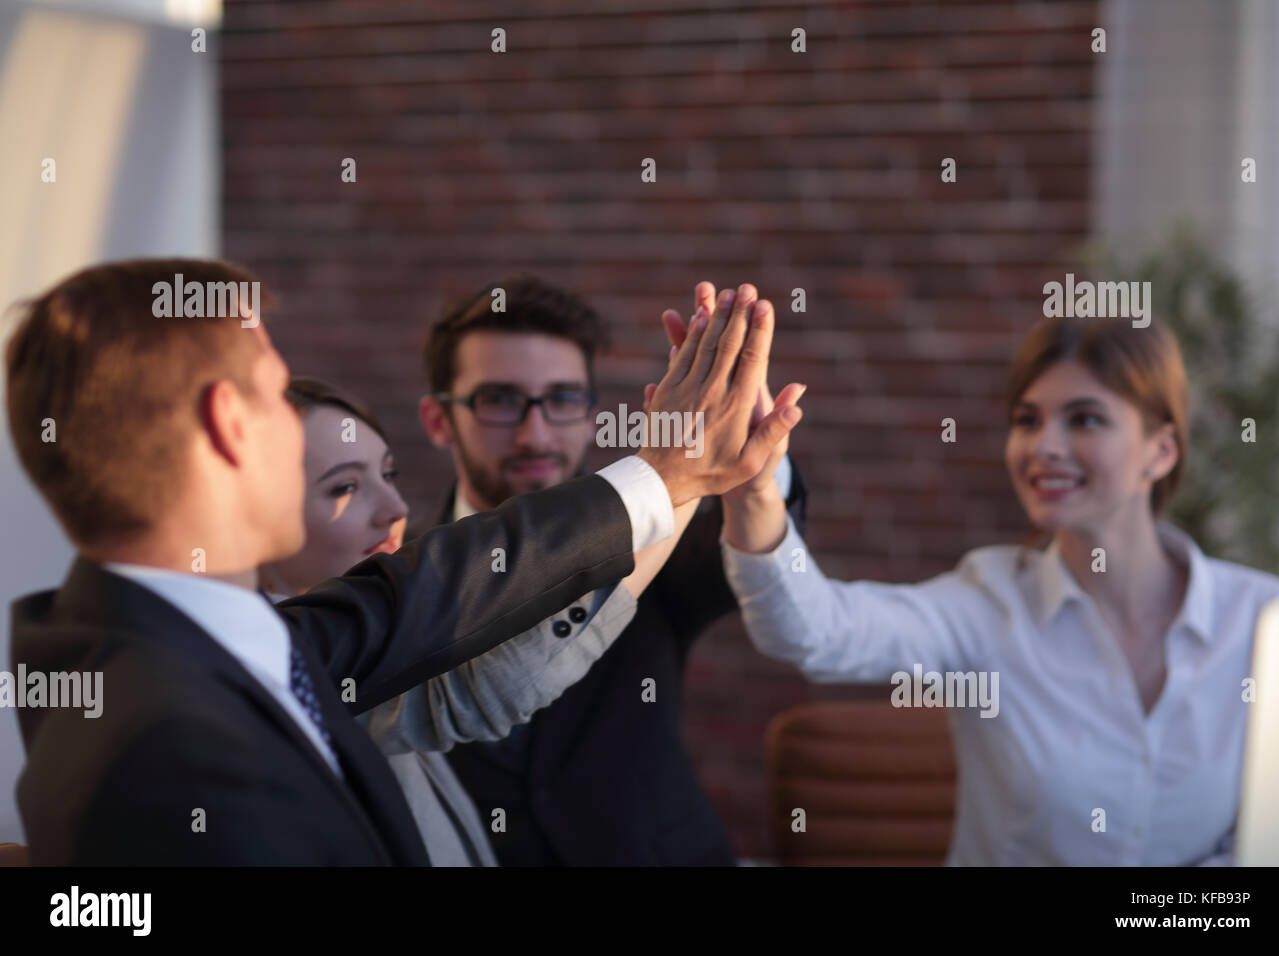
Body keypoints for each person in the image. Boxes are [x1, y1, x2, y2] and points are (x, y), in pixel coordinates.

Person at [5, 257, 801, 864]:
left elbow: (419, 597)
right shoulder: (175, 757)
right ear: (229, 424)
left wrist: (675, 471)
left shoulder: (190, 643)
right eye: (280, 395)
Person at [714, 315, 1279, 866]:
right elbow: (816, 633)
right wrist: (756, 494)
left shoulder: (1267, 623)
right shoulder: (986, 604)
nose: (1045, 446)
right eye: (1027, 420)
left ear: (1161, 451)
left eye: (1084, 419)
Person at [398, 277, 806, 865]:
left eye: (562, 399)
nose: (534, 434)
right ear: (439, 421)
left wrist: (754, 485)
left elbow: (751, 570)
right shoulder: (397, 578)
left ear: (591, 415)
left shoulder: (657, 536)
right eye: (499, 400)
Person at [258, 378, 701, 865]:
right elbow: (487, 680)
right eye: (345, 487)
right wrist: (681, 474)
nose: (395, 509)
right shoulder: (277, 668)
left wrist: (689, 474)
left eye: (389, 474)